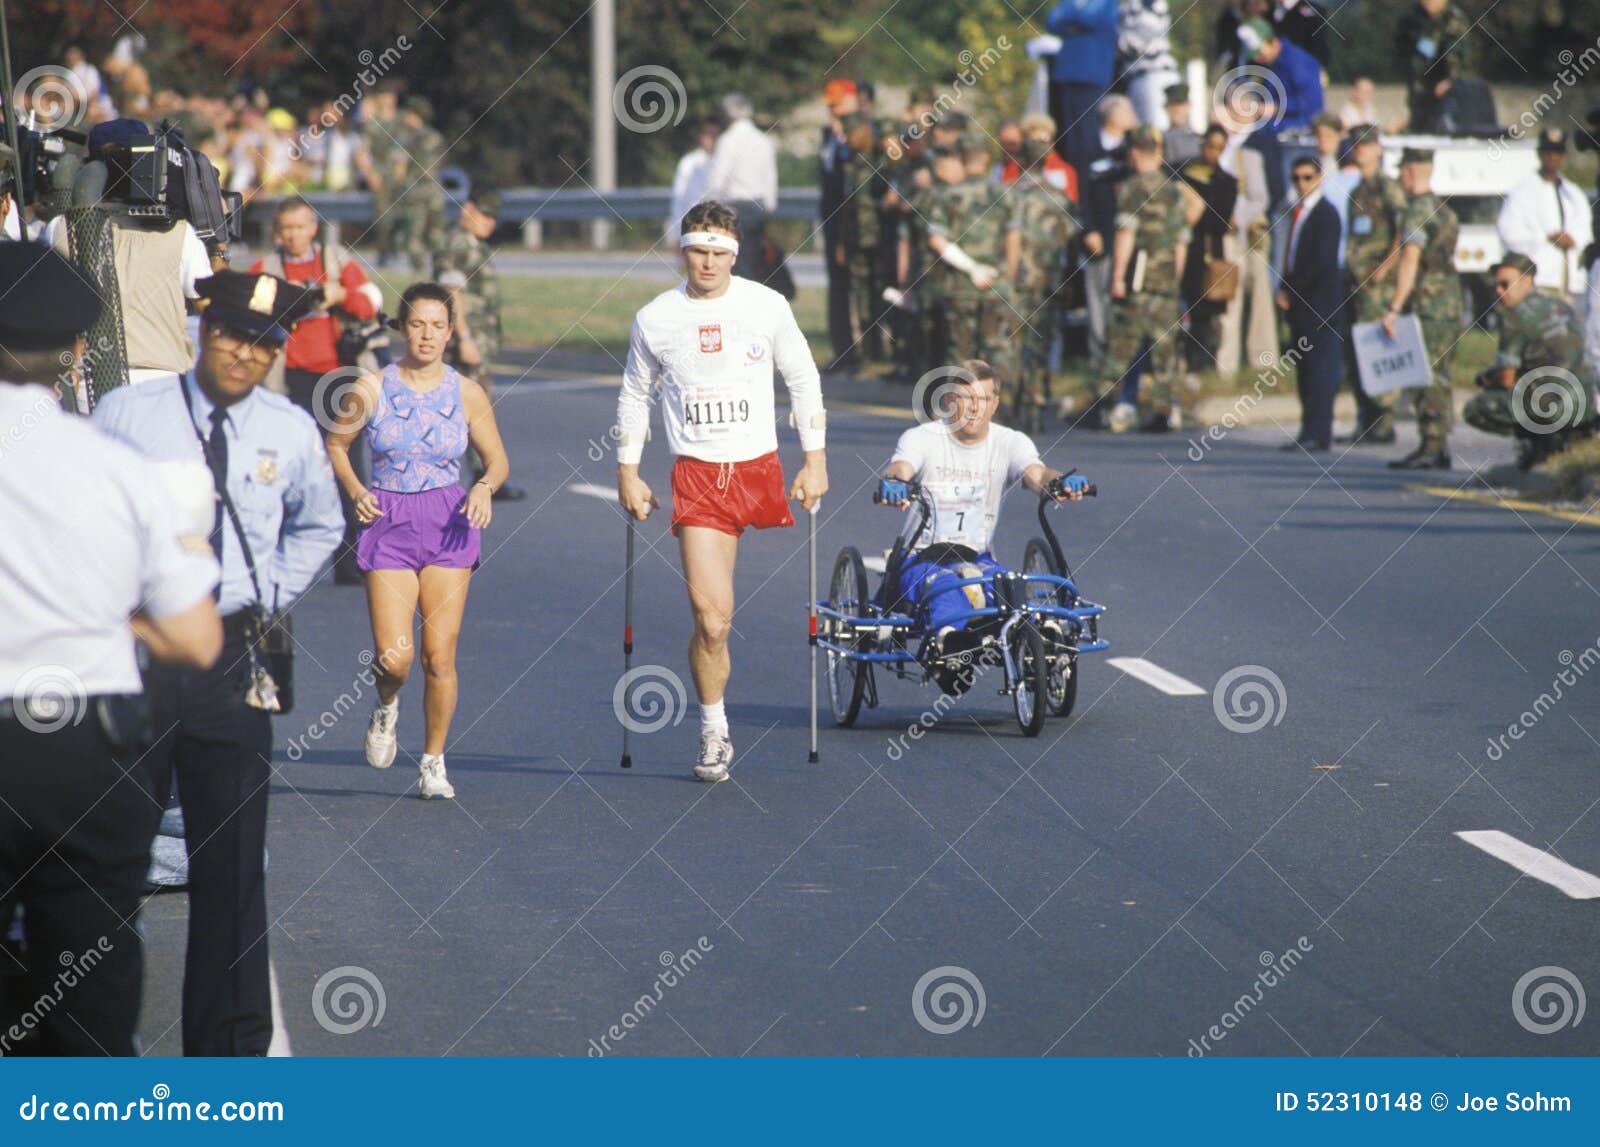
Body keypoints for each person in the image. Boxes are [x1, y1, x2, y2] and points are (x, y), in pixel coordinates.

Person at [91, 269, 343, 1056]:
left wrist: (267, 594)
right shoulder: (129, 413)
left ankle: (228, 1054)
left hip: (233, 654)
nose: (244, 354)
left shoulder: (290, 429)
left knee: (231, 863)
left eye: (264, 343)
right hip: (139, 645)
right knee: (108, 856)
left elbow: (320, 524)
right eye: (231, 334)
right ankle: (92, 1039)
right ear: (203, 326)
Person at [0, 242, 221, 1056]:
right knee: (90, 980)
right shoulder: (118, 467)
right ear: (74, 352)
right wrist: (107, 618)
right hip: (88, 745)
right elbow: (197, 636)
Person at [614, 200, 828, 783]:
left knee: (719, 616)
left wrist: (815, 460)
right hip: (699, 477)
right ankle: (714, 730)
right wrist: (627, 471)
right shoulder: (656, 318)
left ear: (734, 255)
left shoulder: (766, 306)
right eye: (697, 251)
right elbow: (635, 396)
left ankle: (714, 723)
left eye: (718, 253)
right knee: (712, 620)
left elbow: (802, 379)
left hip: (757, 467)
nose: (707, 263)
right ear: (681, 251)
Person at [326, 283, 512, 802]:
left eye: (437, 326)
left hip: (449, 522)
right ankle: (386, 705)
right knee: (396, 657)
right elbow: (337, 445)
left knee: (439, 657)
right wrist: (357, 490)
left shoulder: (466, 391)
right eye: (417, 325)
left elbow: (498, 462)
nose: (427, 335)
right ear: (402, 328)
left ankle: (433, 760)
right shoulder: (373, 386)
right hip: (389, 521)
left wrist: (482, 486)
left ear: (450, 332)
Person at [877, 361, 1089, 678]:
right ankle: (951, 645)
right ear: (949, 400)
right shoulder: (921, 438)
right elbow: (901, 467)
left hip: (977, 558)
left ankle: (1038, 636)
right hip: (921, 559)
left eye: (984, 399)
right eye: (966, 398)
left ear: (995, 404)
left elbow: (1036, 474)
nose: (975, 409)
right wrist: (894, 483)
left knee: (1006, 586)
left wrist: (1057, 483)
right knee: (944, 585)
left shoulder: (1010, 442)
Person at [251, 195, 384, 582]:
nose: (294, 235)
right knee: (287, 468)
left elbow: (372, 302)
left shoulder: (335, 261)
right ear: (278, 231)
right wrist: (285, 297)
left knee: (347, 468)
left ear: (313, 227)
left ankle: (351, 562)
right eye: (286, 228)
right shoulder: (267, 267)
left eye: (300, 227)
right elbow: (251, 311)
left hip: (339, 376)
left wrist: (340, 294)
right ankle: (281, 561)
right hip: (289, 380)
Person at [433, 185, 528, 501]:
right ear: (467, 210)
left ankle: (481, 474)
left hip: (478, 341)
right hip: (464, 342)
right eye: (483, 215)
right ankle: (475, 475)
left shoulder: (475, 245)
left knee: (477, 407)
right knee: (471, 409)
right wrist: (465, 338)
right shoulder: (457, 245)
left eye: (492, 218)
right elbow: (451, 293)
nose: (489, 223)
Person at [1102, 125, 1197, 433]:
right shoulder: (1174, 191)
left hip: (1139, 280)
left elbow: (1126, 234)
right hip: (1167, 279)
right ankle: (1167, 409)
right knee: (1165, 347)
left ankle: (1115, 404)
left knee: (1125, 343)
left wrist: (1118, 276)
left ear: (1133, 153)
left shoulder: (1132, 188)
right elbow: (1182, 241)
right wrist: (1177, 278)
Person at [1463, 253, 1596, 469]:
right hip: (1586, 403)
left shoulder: (1515, 317)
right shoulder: (1560, 305)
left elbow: (1506, 379)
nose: (1499, 291)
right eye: (1496, 285)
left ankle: (1539, 444)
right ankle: (1565, 438)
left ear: (1527, 281)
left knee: (1477, 408)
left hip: (1554, 406)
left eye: (1505, 284)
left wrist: (1485, 378)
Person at [1381, 148, 1461, 470]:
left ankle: (1431, 443)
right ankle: (1437, 444)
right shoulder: (1445, 209)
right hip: (1450, 300)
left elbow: (1410, 258)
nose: (1400, 176)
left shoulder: (1416, 210)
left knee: (1425, 374)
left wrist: (1395, 306)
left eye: (1402, 170)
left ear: (1412, 171)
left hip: (1428, 301)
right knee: (1441, 374)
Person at [924, 139, 1017, 388]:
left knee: (961, 353)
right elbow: (1013, 238)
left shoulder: (947, 195)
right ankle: (999, 411)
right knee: (997, 349)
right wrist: (1007, 275)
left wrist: (971, 268)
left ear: (961, 161)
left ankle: (960, 413)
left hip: (961, 284)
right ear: (987, 159)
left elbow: (936, 240)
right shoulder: (1003, 194)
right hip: (997, 282)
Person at [1338, 124, 1407, 444]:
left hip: (1379, 286)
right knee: (1357, 352)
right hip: (1357, 285)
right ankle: (1366, 417)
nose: (1360, 150)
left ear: (1378, 149)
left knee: (1378, 351)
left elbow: (1403, 231)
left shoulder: (1387, 188)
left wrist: (1385, 266)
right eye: (1356, 145)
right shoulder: (1358, 191)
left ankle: (1384, 419)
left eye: (1366, 145)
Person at [1006, 141, 1080, 431]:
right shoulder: (1059, 198)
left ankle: (1013, 403)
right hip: (1049, 280)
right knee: (1041, 342)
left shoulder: (1009, 194)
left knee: (1014, 343)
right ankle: (1036, 405)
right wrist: (1069, 279)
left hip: (1017, 280)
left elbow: (1003, 238)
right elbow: (1072, 242)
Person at [1275, 156, 1343, 451]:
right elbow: (1291, 256)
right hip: (1299, 303)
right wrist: (1283, 287)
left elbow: (1321, 263)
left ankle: (1319, 432)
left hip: (1320, 304)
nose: (1302, 184)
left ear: (1319, 178)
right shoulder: (1297, 213)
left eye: (1308, 177)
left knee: (1320, 370)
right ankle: (1307, 429)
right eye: (1297, 178)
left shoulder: (1326, 214)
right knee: (1304, 369)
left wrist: (1293, 289)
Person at [1079, 94, 1139, 379]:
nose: (1133, 116)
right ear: (1113, 116)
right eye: (1128, 111)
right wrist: (1088, 229)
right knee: (1098, 308)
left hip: (1130, 243)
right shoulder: (1089, 151)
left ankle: (1127, 371)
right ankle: (1099, 370)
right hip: (1100, 241)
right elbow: (1081, 196)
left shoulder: (1134, 151)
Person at [1214, 100, 1276, 377]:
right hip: (1224, 237)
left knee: (1260, 297)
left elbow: (1261, 198)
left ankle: (1263, 360)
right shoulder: (1216, 150)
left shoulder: (1252, 151)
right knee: (1229, 299)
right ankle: (1225, 363)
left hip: (1250, 233)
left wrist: (1237, 217)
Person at [1497, 128, 1592, 305]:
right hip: (1540, 284)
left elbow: (1586, 232)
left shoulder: (1574, 194)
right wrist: (1546, 239)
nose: (1552, 157)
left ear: (1564, 156)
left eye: (1557, 152)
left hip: (1572, 285)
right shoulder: (1521, 193)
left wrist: (1573, 240)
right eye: (1547, 152)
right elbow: (1509, 234)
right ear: (1540, 154)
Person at [1179, 126, 1240, 372]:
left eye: (1219, 148)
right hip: (1186, 249)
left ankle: (1204, 362)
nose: (1212, 152)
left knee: (1207, 312)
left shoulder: (1226, 181)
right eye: (1209, 146)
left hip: (1208, 252)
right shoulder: (1185, 172)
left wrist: (1197, 206)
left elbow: (1219, 220)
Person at [704, 94, 777, 282]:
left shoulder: (728, 140)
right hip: (759, 206)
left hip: (735, 207)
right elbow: (770, 177)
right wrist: (769, 208)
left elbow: (718, 180)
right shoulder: (763, 139)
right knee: (754, 260)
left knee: (737, 264)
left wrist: (710, 207)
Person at [1045, 0, 1120, 184]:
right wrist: (1075, 21)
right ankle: (1075, 194)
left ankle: (1089, 194)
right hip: (1066, 76)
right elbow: (1052, 21)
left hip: (1092, 77)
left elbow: (1093, 19)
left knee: (1088, 141)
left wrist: (1069, 21)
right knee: (1070, 143)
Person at [1397, 0, 1473, 133]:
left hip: (1443, 92)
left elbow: (1457, 56)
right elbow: (1407, 50)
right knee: (1418, 129)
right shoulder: (1415, 17)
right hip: (1420, 91)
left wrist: (1451, 80)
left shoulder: (1453, 19)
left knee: (1441, 129)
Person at [1237, 18, 1324, 132]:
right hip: (1272, 127)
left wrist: (1276, 107)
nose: (1257, 59)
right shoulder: (1271, 62)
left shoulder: (1296, 61)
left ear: (1273, 42)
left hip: (1300, 129)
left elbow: (1311, 102)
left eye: (1260, 53)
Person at [394, 97, 447, 272]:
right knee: (436, 234)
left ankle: (418, 271)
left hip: (415, 191)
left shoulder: (408, 139)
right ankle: (441, 269)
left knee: (413, 236)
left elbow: (400, 168)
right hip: (434, 190)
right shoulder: (436, 137)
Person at [354, 85, 405, 268]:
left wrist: (402, 172)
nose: (388, 100)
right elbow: (361, 154)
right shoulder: (373, 125)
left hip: (404, 178)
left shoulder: (402, 122)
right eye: (384, 95)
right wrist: (371, 174)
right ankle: (384, 251)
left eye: (390, 95)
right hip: (382, 177)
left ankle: (400, 249)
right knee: (384, 216)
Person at [1118, 0, 1181, 130]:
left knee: (1155, 132)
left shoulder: (1140, 5)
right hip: (1147, 77)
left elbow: (1127, 44)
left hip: (1151, 76)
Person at [668, 117, 720, 244]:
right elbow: (679, 198)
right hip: (693, 223)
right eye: (707, 136)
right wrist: (676, 232)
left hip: (717, 225)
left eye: (713, 136)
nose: (709, 141)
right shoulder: (689, 162)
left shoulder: (723, 162)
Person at [1162, 84, 1201, 168]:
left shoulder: (1200, 139)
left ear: (1189, 105)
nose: (1177, 109)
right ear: (1165, 106)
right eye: (1172, 104)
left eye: (1180, 104)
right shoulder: (1160, 139)